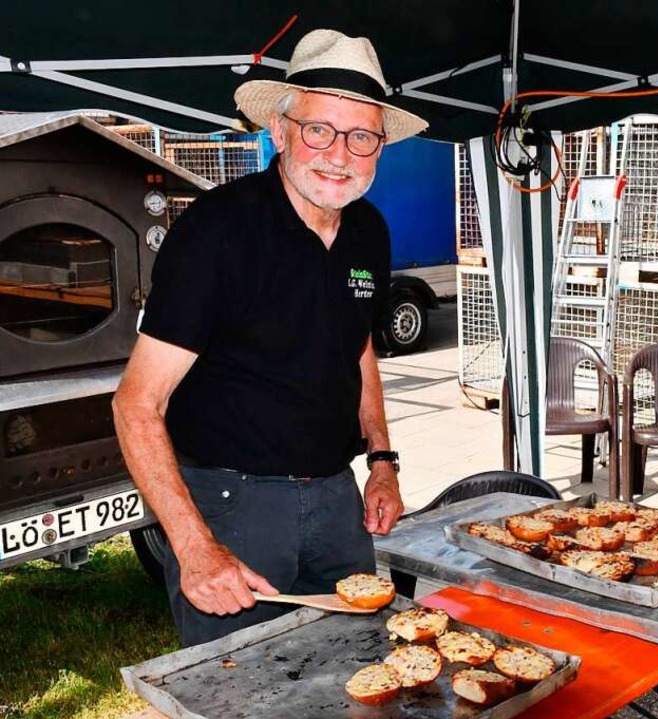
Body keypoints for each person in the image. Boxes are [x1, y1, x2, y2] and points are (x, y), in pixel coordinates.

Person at [113, 29, 428, 647]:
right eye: (319, 129)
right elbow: (135, 405)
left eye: (361, 136)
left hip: (338, 500)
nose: (339, 153)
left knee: (356, 670)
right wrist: (195, 547)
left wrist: (383, 463)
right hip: (232, 504)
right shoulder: (216, 232)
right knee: (237, 690)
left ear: (380, 147)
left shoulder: (369, 231)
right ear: (281, 130)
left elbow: (359, 348)